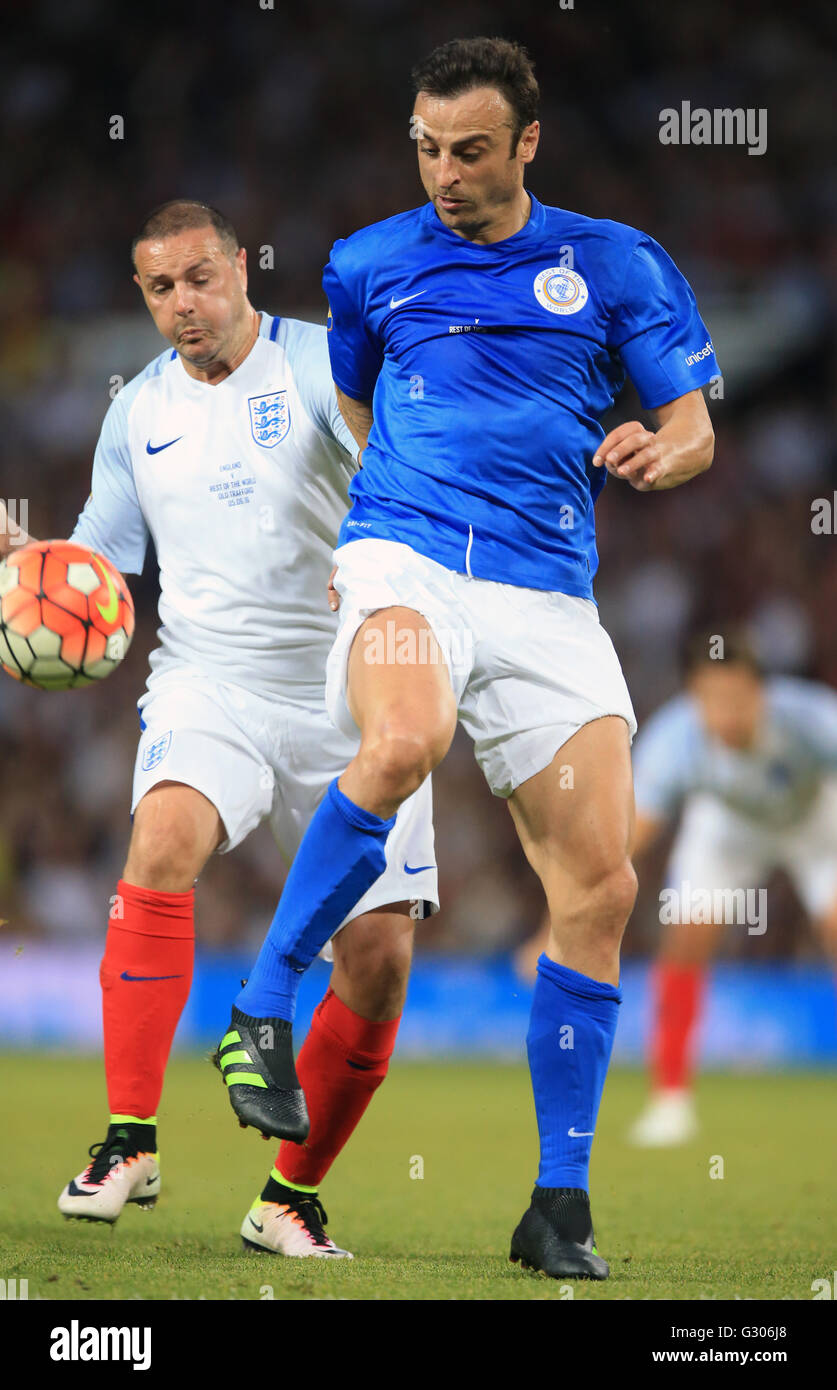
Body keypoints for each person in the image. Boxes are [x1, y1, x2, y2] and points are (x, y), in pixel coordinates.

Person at [217, 36, 718, 1281]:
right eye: (428, 148)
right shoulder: (369, 262)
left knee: (600, 887)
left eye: (472, 149)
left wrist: (663, 453)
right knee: (404, 737)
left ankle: (558, 1204)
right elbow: (356, 408)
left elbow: (692, 425)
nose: (445, 173)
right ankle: (262, 1001)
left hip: (548, 594)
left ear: (528, 143)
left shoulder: (616, 262)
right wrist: (371, 534)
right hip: (408, 559)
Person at [0, 199, 438, 1258]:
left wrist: (380, 563)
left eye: (200, 277)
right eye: (162, 288)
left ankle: (288, 1198)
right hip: (211, 682)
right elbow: (102, 573)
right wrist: (34, 572)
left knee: (378, 959)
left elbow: (401, 474)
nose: (184, 303)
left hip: (352, 686)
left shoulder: (320, 364)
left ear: (241, 267)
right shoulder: (135, 412)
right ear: (143, 296)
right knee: (160, 842)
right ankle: (129, 1140)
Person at [626, 631, 837, 1145]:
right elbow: (629, 840)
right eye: (711, 699)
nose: (726, 713)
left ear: (762, 692)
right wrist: (555, 922)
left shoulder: (811, 718)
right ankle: (670, 1103)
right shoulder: (674, 740)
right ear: (693, 698)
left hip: (815, 820)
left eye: (737, 698)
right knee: (685, 937)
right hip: (727, 829)